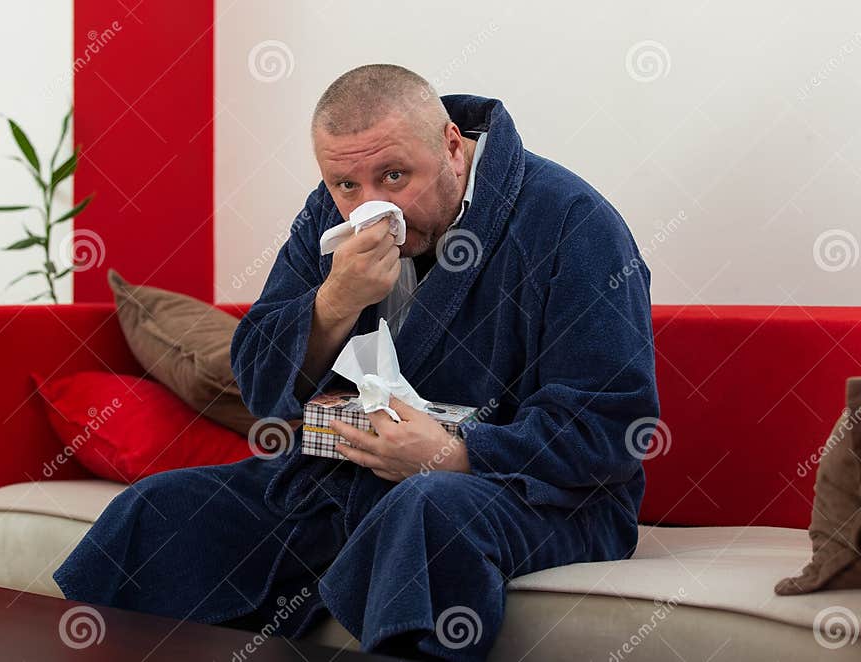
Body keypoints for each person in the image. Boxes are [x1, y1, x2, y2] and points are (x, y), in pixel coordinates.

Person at [54, 63, 659, 661]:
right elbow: (260, 383)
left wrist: (456, 454)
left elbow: (613, 429)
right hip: (350, 481)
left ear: (452, 146)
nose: (372, 208)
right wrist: (331, 303)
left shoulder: (573, 224)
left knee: (426, 512)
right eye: (346, 186)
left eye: (395, 176)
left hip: (540, 496)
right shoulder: (329, 212)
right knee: (159, 510)